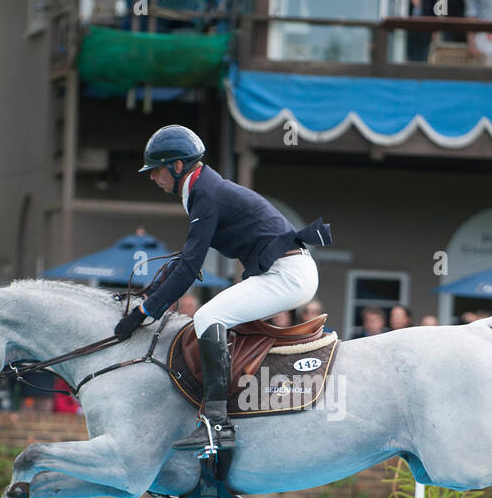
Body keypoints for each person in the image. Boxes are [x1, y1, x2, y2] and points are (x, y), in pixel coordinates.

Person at [117, 125, 332, 451]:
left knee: (207, 316)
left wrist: (146, 312)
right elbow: (186, 258)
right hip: (285, 271)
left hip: (289, 275)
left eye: (156, 170)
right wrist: (148, 295)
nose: (152, 177)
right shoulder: (202, 189)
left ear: (177, 167)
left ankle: (217, 423)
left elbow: (190, 267)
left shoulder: (206, 193)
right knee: (213, 315)